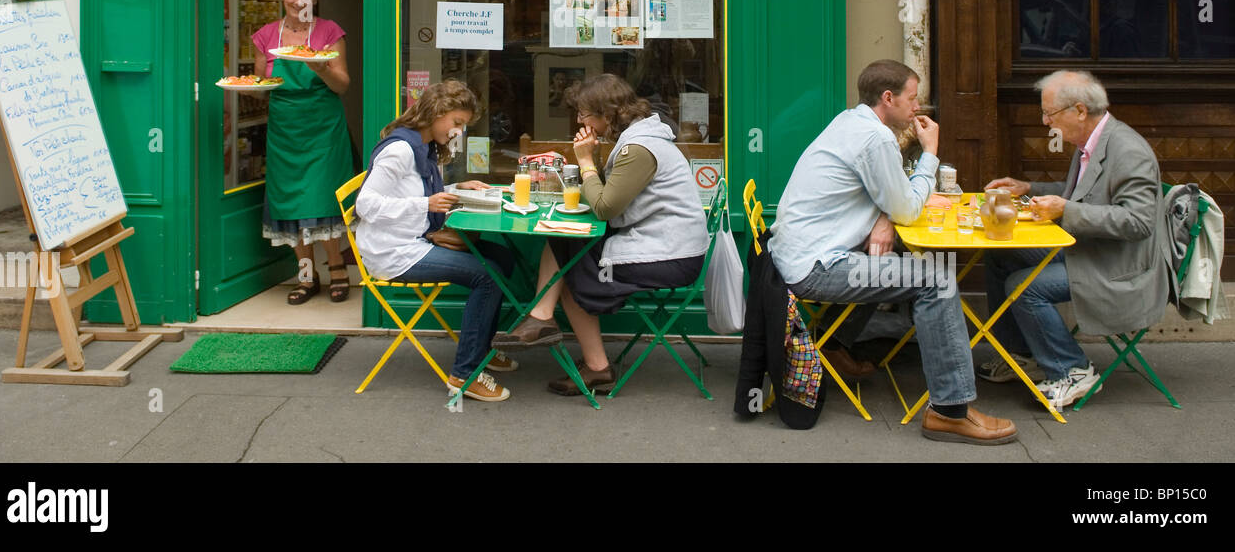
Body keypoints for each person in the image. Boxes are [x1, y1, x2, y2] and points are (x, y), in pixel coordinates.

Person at [768, 59, 1018, 445]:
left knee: (887, 263)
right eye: (912, 98)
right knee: (937, 280)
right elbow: (905, 206)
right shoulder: (876, 138)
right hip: (818, 267)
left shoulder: (851, 122)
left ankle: (834, 347)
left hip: (800, 254)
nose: (917, 107)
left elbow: (888, 194)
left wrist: (888, 212)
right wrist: (930, 151)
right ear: (889, 97)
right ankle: (951, 411)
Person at [492, 73, 709, 395]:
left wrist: (584, 162)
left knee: (570, 268)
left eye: (583, 113)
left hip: (670, 255)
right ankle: (543, 317)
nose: (579, 120)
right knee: (564, 243)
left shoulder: (638, 148)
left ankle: (591, 362)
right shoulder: (640, 139)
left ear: (607, 114)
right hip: (662, 243)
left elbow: (606, 208)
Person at [984, 70, 1171, 409]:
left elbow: (1139, 221)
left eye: (1049, 114)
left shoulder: (1128, 150)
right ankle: (1025, 356)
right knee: (1000, 255)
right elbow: (1083, 194)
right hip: (1089, 250)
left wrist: (1065, 210)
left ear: (1080, 111)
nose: (1044, 122)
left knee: (1024, 286)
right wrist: (1030, 189)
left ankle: (1073, 369)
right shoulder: (1092, 142)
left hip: (1117, 266)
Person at [354, 80, 517, 402]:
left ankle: (480, 350)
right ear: (436, 112)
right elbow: (365, 205)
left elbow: (420, 193)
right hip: (393, 252)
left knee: (503, 258)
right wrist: (425, 205)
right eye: (456, 123)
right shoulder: (400, 150)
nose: (458, 131)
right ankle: (465, 375)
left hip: (415, 240)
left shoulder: (424, 146)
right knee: (487, 276)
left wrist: (458, 189)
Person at [252, 0, 355, 304]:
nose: (298, 1)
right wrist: (247, 89)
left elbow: (342, 85)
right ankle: (306, 275)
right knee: (290, 199)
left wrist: (321, 67)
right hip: (284, 128)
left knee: (323, 194)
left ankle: (337, 265)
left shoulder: (328, 32)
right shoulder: (266, 36)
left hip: (323, 125)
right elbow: (260, 88)